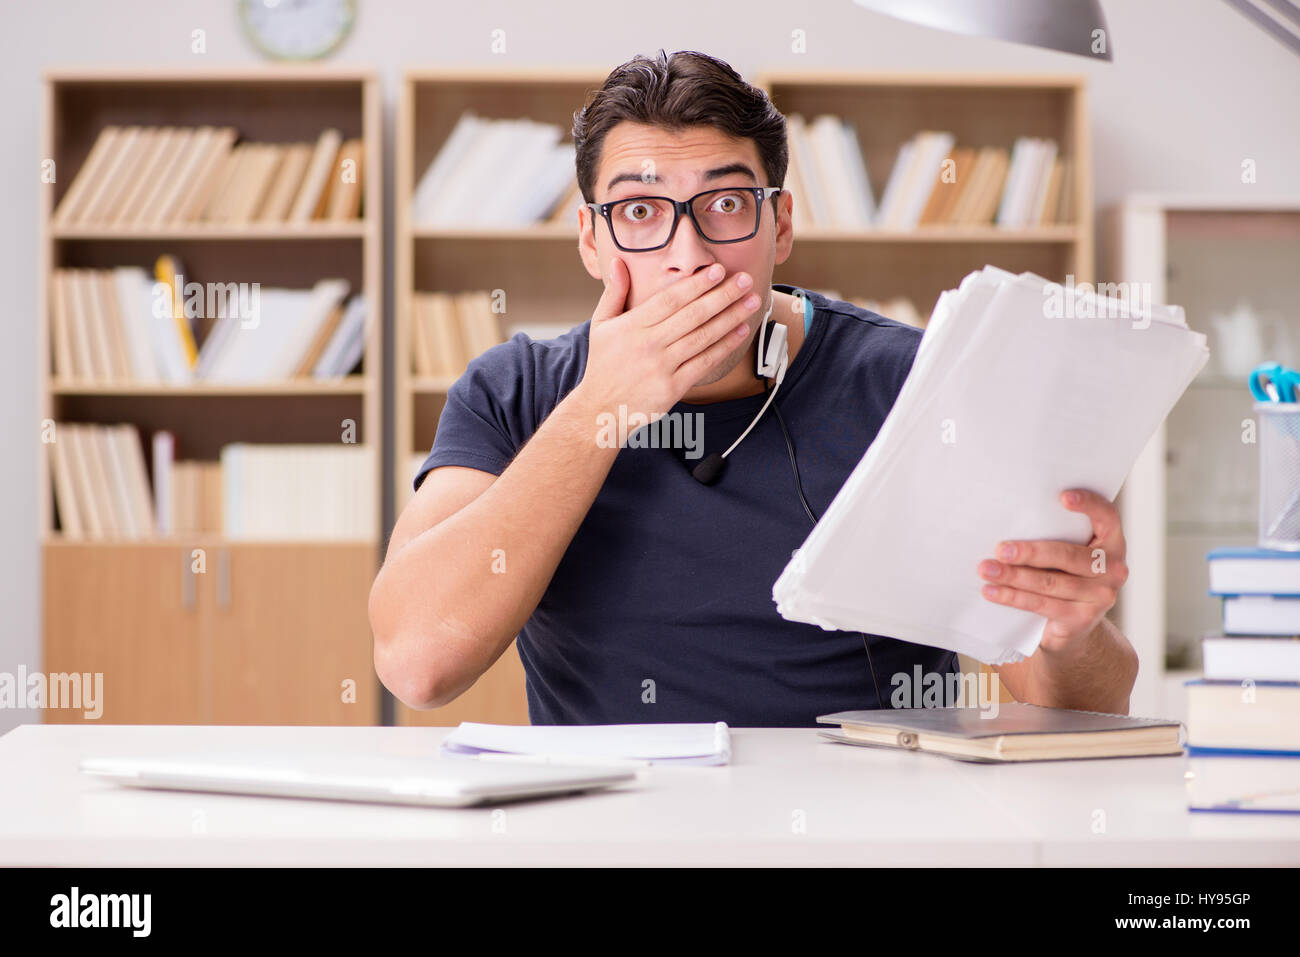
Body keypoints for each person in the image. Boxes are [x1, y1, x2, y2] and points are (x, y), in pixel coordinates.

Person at [369, 49, 1138, 726]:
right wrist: (602, 408)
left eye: (726, 205)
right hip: (606, 832)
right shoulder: (516, 391)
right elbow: (417, 665)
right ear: (591, 240)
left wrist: (1068, 632)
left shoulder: (911, 383)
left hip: (865, 830)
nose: (689, 255)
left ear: (780, 227)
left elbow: (1085, 708)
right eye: (640, 212)